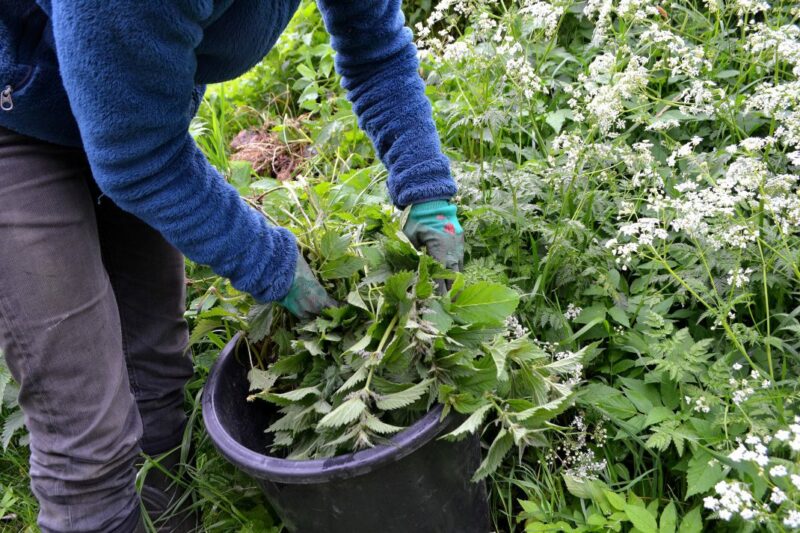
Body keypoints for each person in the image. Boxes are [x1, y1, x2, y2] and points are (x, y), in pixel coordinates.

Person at [0, 1, 464, 532]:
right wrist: (272, 263)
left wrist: (426, 186)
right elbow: (139, 158)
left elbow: (374, 47)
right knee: (86, 434)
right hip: (17, 113)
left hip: (134, 101)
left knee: (154, 371)